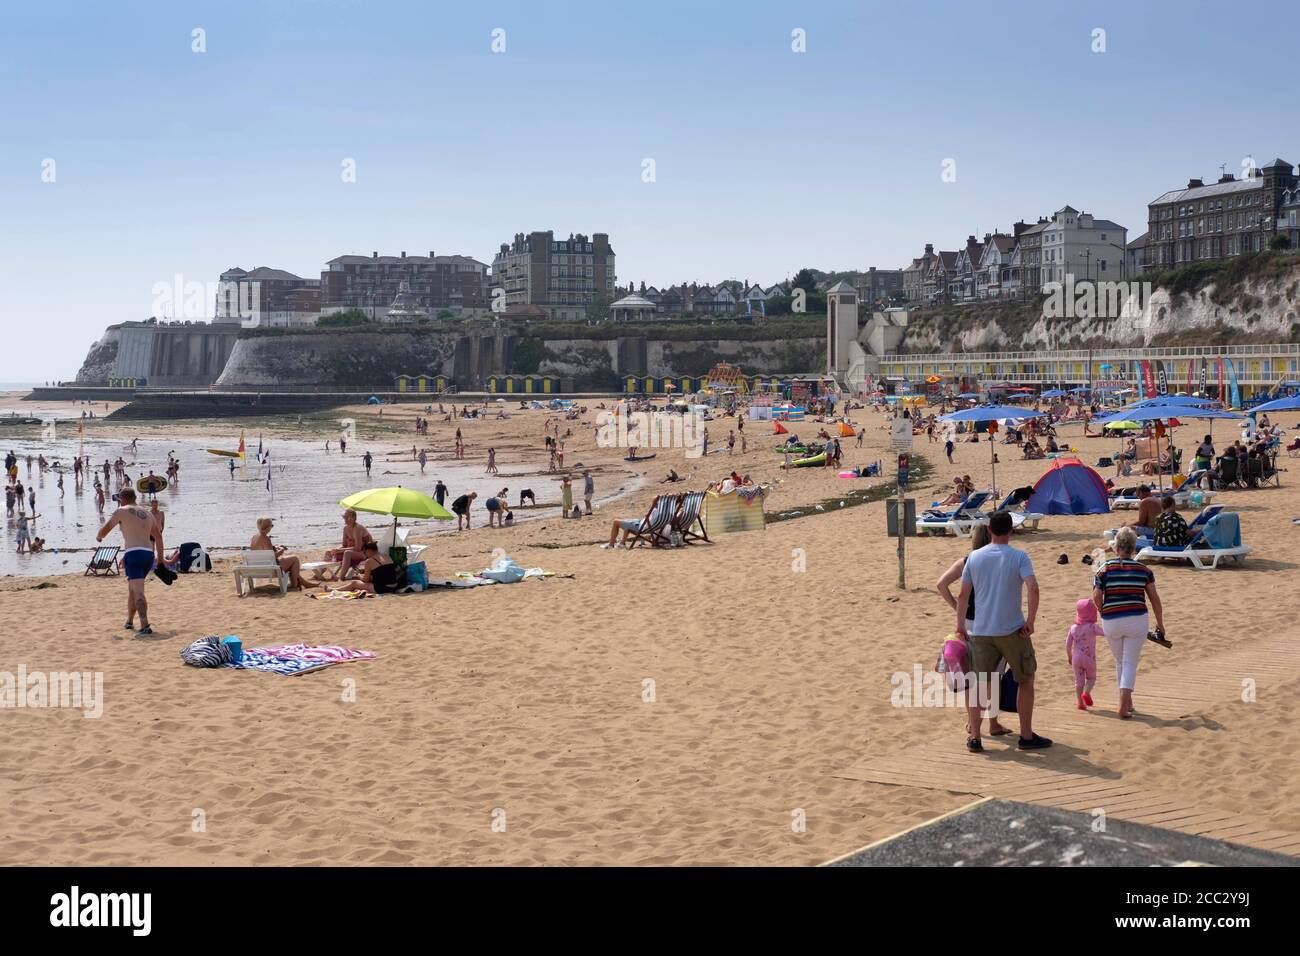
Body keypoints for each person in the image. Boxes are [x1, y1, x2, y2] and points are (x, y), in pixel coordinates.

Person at [955, 510, 1049, 752]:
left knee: (978, 683)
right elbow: (1033, 588)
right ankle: (1026, 736)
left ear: (989, 530)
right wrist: (1031, 620)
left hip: (982, 630)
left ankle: (975, 737)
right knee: (1025, 680)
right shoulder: (1019, 557)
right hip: (1011, 629)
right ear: (1011, 530)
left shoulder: (974, 557)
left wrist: (959, 625)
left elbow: (963, 595)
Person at [935, 524, 1010, 738]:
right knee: (994, 677)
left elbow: (941, 584)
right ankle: (993, 723)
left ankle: (972, 723)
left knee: (970, 678)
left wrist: (958, 608)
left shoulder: (966, 561)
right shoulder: (996, 561)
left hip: (969, 625)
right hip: (993, 625)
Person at [1093, 527, 1166, 719]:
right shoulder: (1144, 570)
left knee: (1120, 661)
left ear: (1117, 547)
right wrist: (1160, 623)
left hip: (1111, 620)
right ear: (1133, 548)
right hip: (1137, 619)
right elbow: (1155, 599)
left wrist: (1102, 610)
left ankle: (1127, 702)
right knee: (1129, 663)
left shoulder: (1104, 568)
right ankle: (1123, 707)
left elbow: (1096, 596)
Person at [96, 488, 164, 634]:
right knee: (133, 589)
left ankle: (145, 625)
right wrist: (160, 560)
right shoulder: (148, 513)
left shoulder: (122, 510)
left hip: (133, 553)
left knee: (138, 591)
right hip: (148, 554)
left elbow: (106, 528)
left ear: (122, 499)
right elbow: (158, 536)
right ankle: (129, 621)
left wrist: (99, 537)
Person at [251, 517, 310, 590]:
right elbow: (272, 557)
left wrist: (275, 549)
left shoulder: (254, 537)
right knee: (295, 559)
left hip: (257, 568)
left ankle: (305, 583)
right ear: (267, 527)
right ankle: (294, 585)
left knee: (288, 562)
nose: (271, 528)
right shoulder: (266, 538)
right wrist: (281, 551)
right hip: (270, 569)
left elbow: (262, 553)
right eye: (271, 526)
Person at [1066, 598, 1103, 710]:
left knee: (1079, 681)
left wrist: (1069, 656)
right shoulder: (1092, 627)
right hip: (1089, 658)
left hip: (1076, 658)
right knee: (1091, 678)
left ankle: (1080, 703)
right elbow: (1105, 632)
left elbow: (1067, 645)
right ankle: (1086, 693)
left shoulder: (1073, 628)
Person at [328, 541, 396, 595]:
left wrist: (359, 576)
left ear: (369, 551)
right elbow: (383, 570)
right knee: (362, 585)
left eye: (365, 552)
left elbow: (365, 580)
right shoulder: (386, 556)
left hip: (382, 588)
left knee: (354, 583)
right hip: (395, 586)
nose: (365, 554)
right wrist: (364, 571)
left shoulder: (369, 561)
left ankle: (334, 590)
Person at [337, 508, 374, 577]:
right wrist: (337, 549)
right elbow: (344, 545)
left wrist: (341, 550)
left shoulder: (358, 528)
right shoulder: (345, 529)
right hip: (355, 552)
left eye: (347, 517)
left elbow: (358, 548)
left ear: (354, 518)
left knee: (347, 553)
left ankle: (341, 577)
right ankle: (319, 575)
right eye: (344, 517)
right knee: (329, 552)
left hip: (365, 553)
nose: (345, 519)